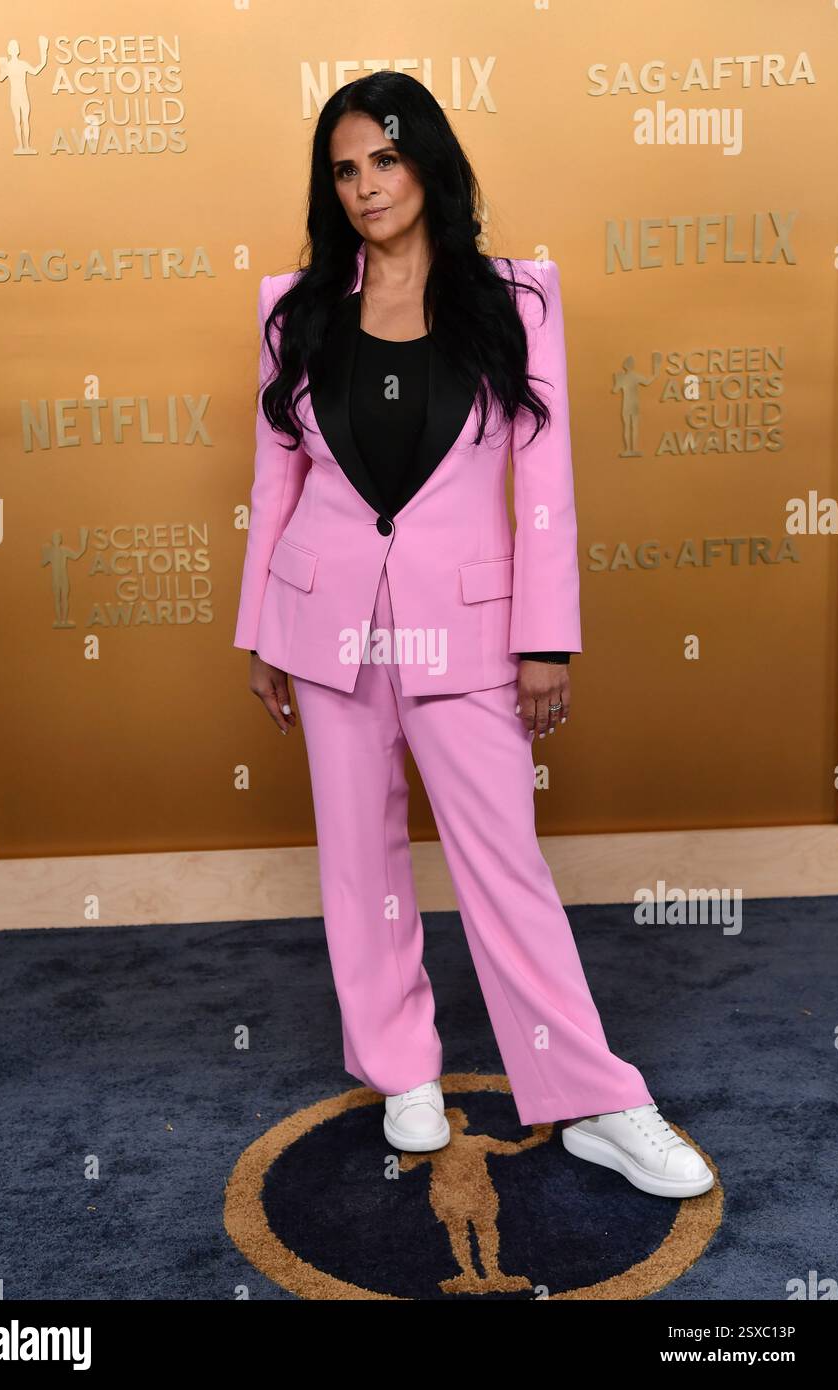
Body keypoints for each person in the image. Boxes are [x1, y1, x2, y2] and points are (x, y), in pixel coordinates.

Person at [233, 71, 713, 1200]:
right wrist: (260, 628)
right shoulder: (288, 308)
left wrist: (546, 640)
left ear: (426, 164)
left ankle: (596, 1099)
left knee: (505, 869)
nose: (364, 187)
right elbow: (274, 478)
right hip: (326, 623)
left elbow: (544, 484)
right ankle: (401, 1068)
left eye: (383, 162)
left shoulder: (519, 297)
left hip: (471, 633)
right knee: (358, 865)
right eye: (344, 170)